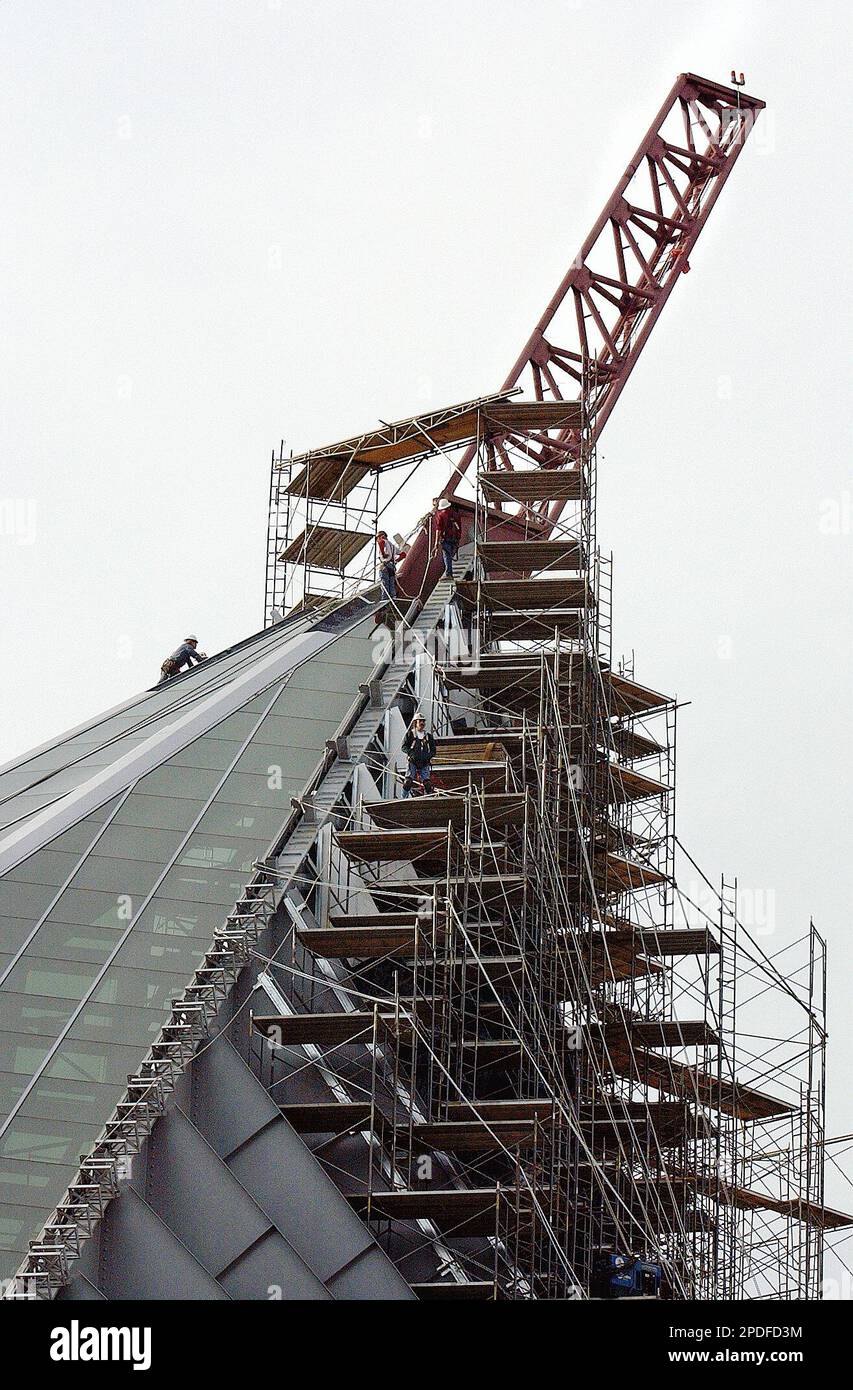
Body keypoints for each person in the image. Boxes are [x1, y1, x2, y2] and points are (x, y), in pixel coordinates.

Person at [401, 712, 436, 797]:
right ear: (415, 722)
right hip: (412, 761)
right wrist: (411, 753)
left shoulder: (428, 736)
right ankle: (403, 798)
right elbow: (403, 747)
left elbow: (433, 750)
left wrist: (428, 756)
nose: (422, 723)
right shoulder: (410, 735)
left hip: (424, 762)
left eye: (423, 721)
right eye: (420, 721)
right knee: (408, 782)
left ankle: (428, 798)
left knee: (427, 784)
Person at [433, 499, 461, 579]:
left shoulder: (441, 515)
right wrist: (458, 538)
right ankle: (449, 572)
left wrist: (436, 543)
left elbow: (438, 529)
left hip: (446, 538)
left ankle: (449, 574)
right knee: (450, 555)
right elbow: (459, 528)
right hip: (455, 538)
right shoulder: (456, 514)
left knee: (447, 556)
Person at [376, 530, 406, 600]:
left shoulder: (383, 541)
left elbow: (381, 542)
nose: (377, 540)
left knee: (385, 583)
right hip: (392, 567)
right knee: (391, 584)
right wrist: (396, 561)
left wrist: (383, 554)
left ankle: (385, 600)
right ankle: (393, 597)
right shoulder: (392, 546)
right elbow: (403, 554)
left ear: (381, 536)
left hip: (385, 565)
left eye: (377, 538)